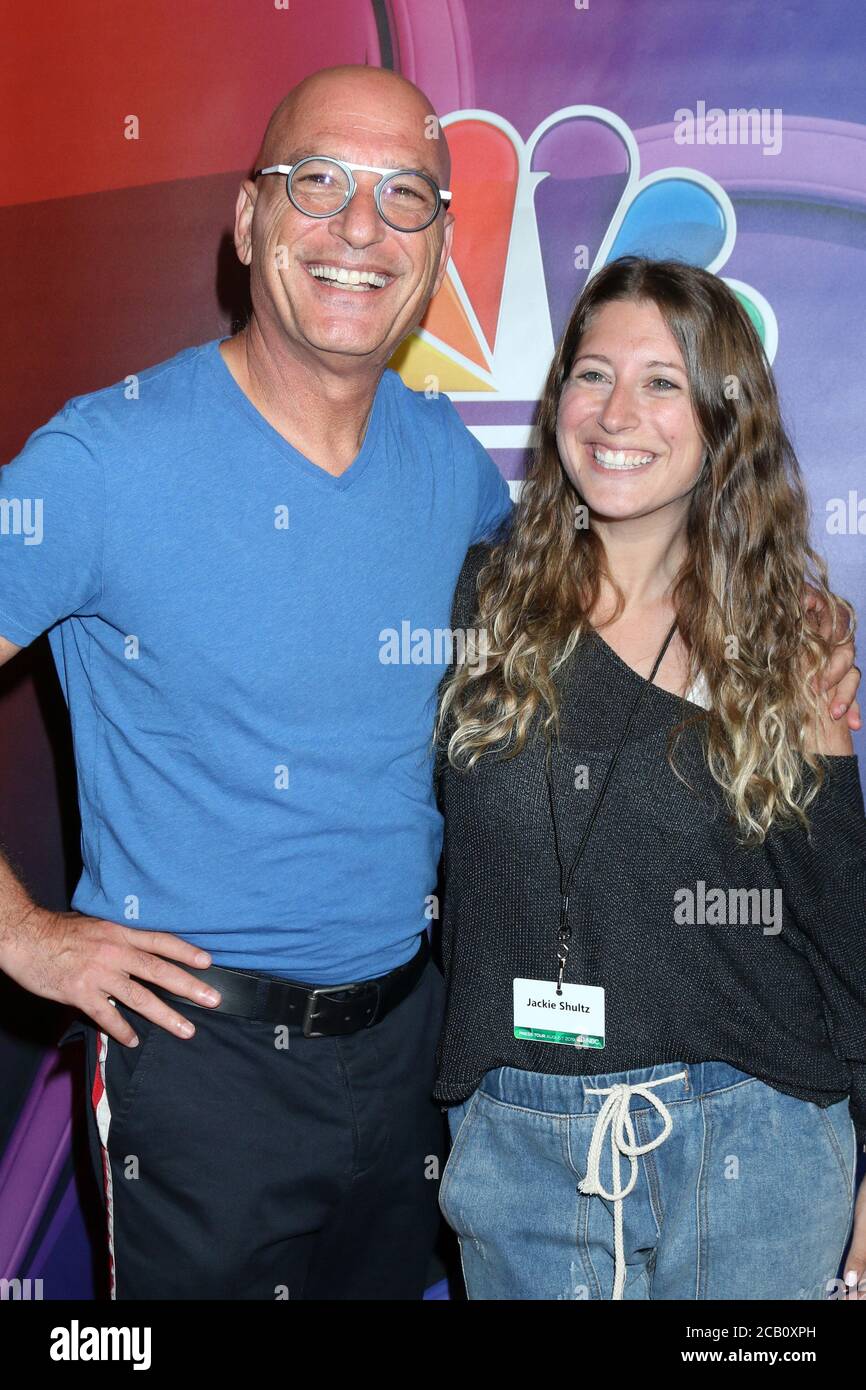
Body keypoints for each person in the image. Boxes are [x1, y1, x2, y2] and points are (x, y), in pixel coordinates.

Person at [0, 65, 515, 1300]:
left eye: (405, 196)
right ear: (247, 224)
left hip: (413, 1056)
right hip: (198, 1067)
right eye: (318, 183)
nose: (359, 229)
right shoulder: (101, 458)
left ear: (438, 245)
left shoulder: (456, 473)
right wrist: (23, 938)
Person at [432, 256, 866, 1301]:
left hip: (753, 1140)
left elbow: (843, 922)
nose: (616, 410)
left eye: (662, 381)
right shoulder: (477, 600)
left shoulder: (782, 637)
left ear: (723, 418)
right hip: (516, 1152)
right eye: (591, 373)